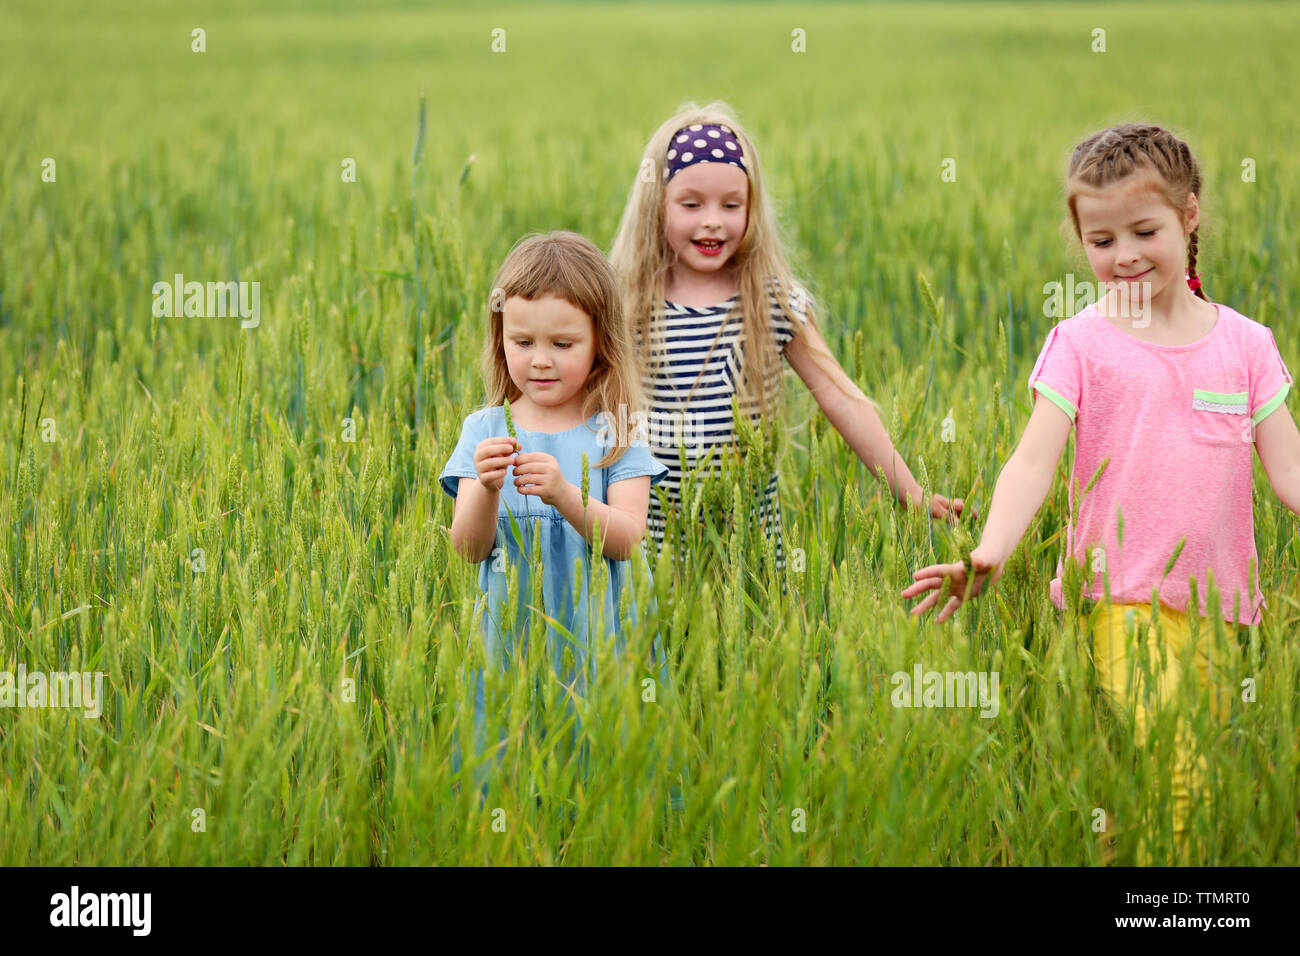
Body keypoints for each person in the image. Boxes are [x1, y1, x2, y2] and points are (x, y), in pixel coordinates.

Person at [903, 123, 1300, 861]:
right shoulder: (1084, 342)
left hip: (1223, 610)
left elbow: (1289, 473)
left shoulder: (1248, 345)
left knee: (1159, 778)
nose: (1123, 257)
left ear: (1190, 214)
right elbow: (1032, 462)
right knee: (1183, 771)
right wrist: (988, 551)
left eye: (1143, 230)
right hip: (1121, 600)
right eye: (1101, 241)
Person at [609, 102, 962, 576]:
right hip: (650, 541)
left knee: (747, 648)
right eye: (692, 204)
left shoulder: (769, 300)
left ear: (752, 209)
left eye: (731, 205)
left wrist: (910, 491)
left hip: (749, 542)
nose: (713, 220)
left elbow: (840, 397)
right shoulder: (628, 303)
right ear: (658, 206)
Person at [439, 231, 668, 790]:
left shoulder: (617, 429)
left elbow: (630, 538)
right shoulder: (486, 429)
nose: (539, 361)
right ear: (501, 339)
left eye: (563, 344)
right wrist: (489, 488)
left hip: (598, 628)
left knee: (598, 755)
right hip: (511, 625)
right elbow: (468, 549)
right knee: (512, 751)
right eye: (522, 342)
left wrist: (568, 495)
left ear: (599, 342)